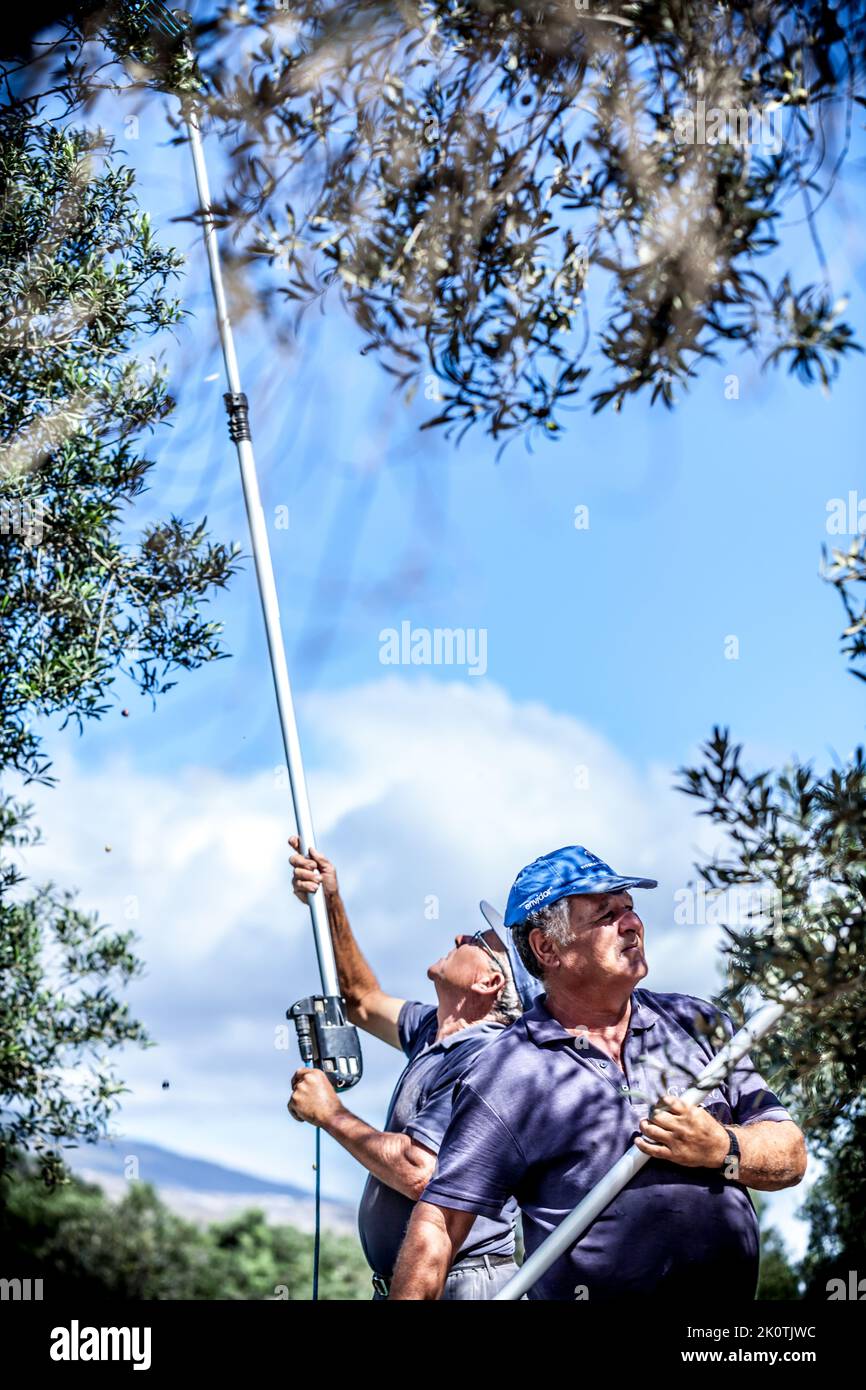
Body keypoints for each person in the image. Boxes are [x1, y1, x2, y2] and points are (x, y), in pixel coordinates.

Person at [389, 844, 808, 1301]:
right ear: (547, 947)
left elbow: (790, 1157)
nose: (631, 923)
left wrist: (720, 1147)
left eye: (629, 908)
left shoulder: (697, 1024)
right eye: (606, 914)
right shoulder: (508, 1070)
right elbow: (440, 1225)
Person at [286, 837, 523, 1299]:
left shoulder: (484, 1056)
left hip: (460, 1284)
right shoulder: (436, 1028)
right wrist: (329, 900)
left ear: (489, 980)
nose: (459, 936)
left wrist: (329, 1113)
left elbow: (419, 1171)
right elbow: (361, 999)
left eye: (475, 941)